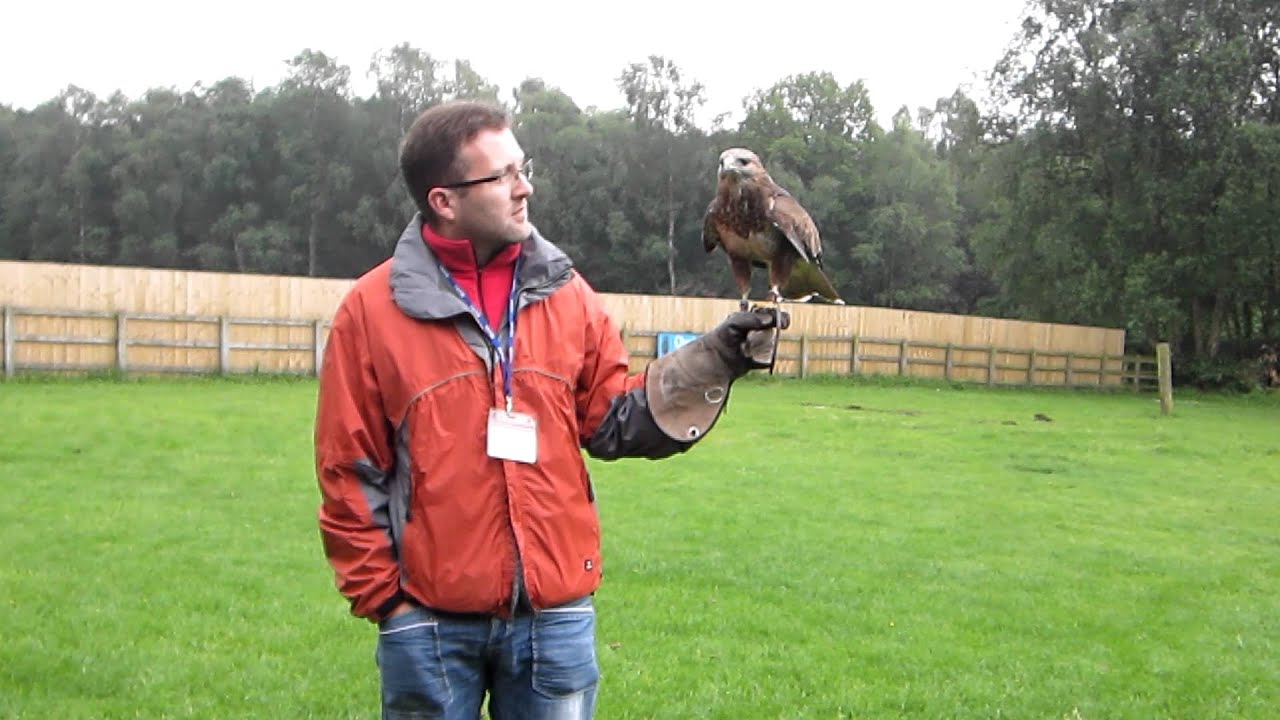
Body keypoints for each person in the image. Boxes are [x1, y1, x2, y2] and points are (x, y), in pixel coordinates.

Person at [313, 98, 781, 720]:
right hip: (426, 623)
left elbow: (614, 418)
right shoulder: (370, 312)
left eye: (521, 166)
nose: (523, 186)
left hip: (553, 621)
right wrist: (389, 605)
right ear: (443, 201)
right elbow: (348, 469)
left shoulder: (570, 296)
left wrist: (713, 360)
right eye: (501, 175)